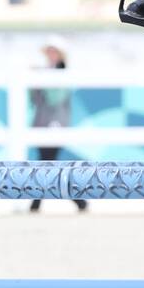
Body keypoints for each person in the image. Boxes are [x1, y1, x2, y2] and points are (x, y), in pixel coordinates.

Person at [28, 37, 86, 213]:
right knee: (48, 165)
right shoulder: (48, 71)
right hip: (42, 122)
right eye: (49, 52)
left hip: (55, 124)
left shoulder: (62, 72)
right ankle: (77, 201)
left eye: (54, 52)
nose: (51, 55)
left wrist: (42, 78)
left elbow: (55, 99)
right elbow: (34, 100)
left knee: (46, 165)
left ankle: (37, 203)